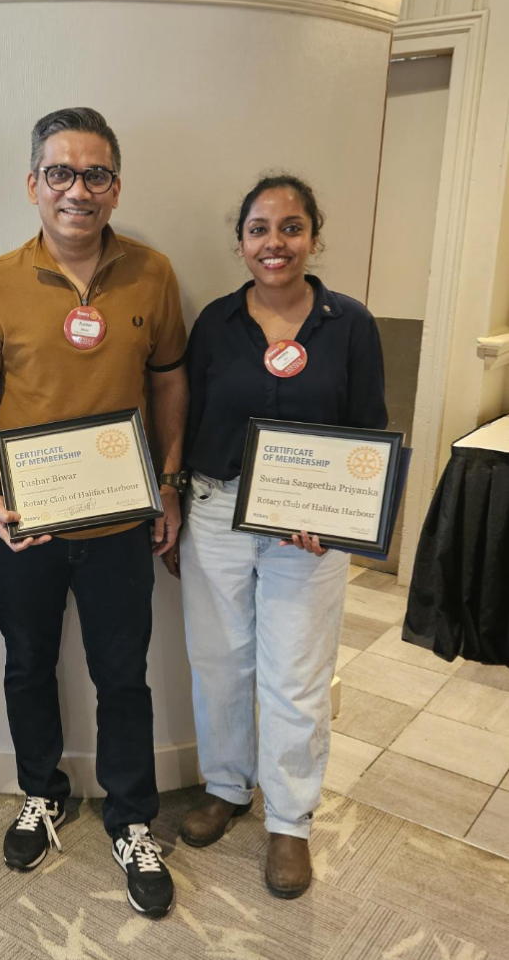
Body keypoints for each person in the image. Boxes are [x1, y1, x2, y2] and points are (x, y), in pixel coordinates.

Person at [0, 107, 188, 919]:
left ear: (115, 186)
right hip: (26, 526)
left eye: (94, 174)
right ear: (32, 184)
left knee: (123, 676)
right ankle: (42, 791)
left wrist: (168, 482)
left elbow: (167, 382)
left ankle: (131, 819)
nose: (77, 190)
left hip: (122, 525)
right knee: (27, 662)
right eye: (60, 172)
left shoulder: (152, 275)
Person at [172, 175, 386, 899]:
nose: (274, 243)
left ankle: (289, 821)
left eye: (290, 228)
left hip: (308, 531)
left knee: (295, 675)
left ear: (314, 238)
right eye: (259, 229)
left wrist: (336, 512)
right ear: (240, 242)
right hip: (217, 513)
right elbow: (193, 419)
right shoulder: (214, 323)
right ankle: (228, 788)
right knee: (219, 662)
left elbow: (367, 430)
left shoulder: (348, 323)